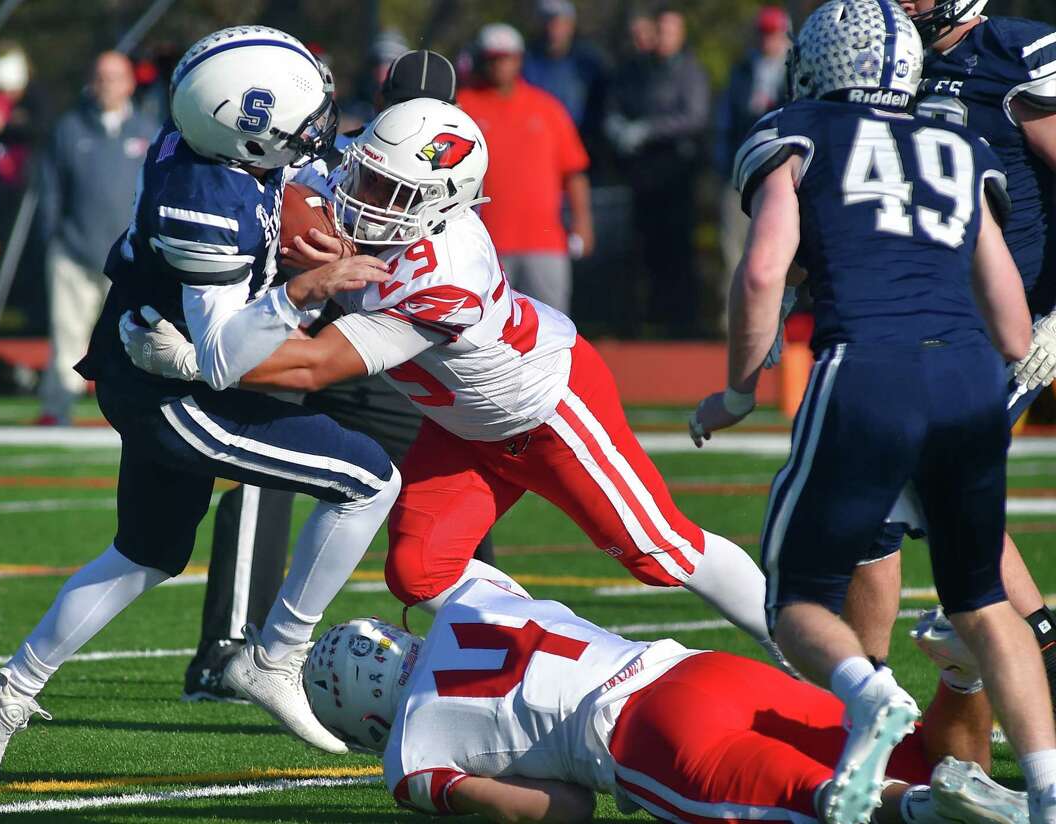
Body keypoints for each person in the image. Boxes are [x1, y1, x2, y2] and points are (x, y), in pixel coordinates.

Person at [122, 98, 782, 672]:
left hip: (545, 409)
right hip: (461, 426)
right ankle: (564, 655)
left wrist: (194, 358)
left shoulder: (444, 273)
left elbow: (313, 364)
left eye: (389, 193)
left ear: (439, 206)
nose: (360, 199)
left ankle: (808, 652)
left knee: (660, 551)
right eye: (365, 175)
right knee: (419, 572)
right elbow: (290, 191)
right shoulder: (364, 190)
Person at [0, 27, 401, 801]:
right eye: (299, 122)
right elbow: (225, 359)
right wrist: (302, 289)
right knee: (368, 481)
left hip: (151, 362)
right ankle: (273, 658)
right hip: (177, 389)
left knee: (147, 553)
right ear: (245, 130)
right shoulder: (207, 201)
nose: (316, 131)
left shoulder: (207, 138)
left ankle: (6, 696)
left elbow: (312, 164)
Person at [690, 3, 1056, 822]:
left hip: (868, 367)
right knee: (980, 602)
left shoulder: (793, 131)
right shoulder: (957, 143)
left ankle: (871, 696)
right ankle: (1050, 787)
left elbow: (760, 277)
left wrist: (740, 390)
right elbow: (1004, 314)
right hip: (968, 372)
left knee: (794, 601)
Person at [182, 48, 498, 704]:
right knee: (259, 465)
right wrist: (310, 236)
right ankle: (230, 646)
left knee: (451, 485)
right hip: (315, 326)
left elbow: (441, 269)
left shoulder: (453, 180)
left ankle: (487, 648)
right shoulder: (342, 151)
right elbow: (289, 198)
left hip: (388, 350)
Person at [302, 572, 1028, 824]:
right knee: (916, 754)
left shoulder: (408, 754)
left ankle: (927, 808)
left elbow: (564, 810)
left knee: (842, 804)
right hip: (703, 671)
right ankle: (960, 675)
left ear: (363, 721)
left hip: (648, 733)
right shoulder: (473, 600)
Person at [842, 0, 1056, 715]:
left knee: (927, 473)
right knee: (875, 503)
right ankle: (863, 699)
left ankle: (1027, 650)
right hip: (924, 316)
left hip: (1007, 324)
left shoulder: (1014, 52)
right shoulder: (895, 65)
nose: (901, 3)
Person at [36, 52, 157, 425]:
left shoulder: (149, 130)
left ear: (130, 82)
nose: (108, 85)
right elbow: (51, 191)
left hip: (128, 257)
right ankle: (57, 408)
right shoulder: (69, 129)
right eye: (101, 77)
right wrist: (54, 239)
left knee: (135, 335)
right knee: (67, 334)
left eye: (115, 77)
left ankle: (137, 410)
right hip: (74, 251)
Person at [457, 22, 594, 317]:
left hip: (545, 242)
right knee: (487, 330)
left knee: (554, 327)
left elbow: (574, 171)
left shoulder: (547, 108)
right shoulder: (463, 107)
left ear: (519, 59)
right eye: (493, 57)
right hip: (484, 243)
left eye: (506, 57)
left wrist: (582, 221)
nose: (500, 65)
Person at [604, 5, 709, 338]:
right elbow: (618, 104)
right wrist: (616, 125)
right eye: (659, 30)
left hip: (676, 176)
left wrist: (649, 129)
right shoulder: (639, 70)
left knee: (677, 251)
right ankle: (638, 324)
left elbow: (694, 117)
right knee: (639, 250)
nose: (661, 37)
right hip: (642, 176)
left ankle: (681, 325)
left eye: (668, 31)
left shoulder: (691, 71)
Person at [712, 5, 790, 334]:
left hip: (784, 171)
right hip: (742, 170)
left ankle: (781, 323)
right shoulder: (743, 70)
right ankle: (734, 322)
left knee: (781, 250)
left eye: (773, 33)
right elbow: (724, 121)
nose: (767, 40)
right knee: (733, 249)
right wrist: (724, 166)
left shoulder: (797, 66)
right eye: (763, 33)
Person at [522, 0, 608, 141]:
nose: (553, 29)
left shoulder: (589, 62)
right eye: (548, 21)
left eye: (560, 22)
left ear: (571, 25)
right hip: (536, 139)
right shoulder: (525, 61)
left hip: (580, 141)